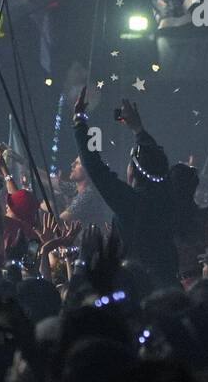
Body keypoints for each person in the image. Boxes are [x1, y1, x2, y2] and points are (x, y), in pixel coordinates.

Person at [71, 88, 178, 285]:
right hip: (170, 282)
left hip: (139, 289)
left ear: (133, 172)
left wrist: (79, 122)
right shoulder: (168, 197)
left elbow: (96, 169)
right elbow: (156, 163)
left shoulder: (132, 203)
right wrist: (138, 130)